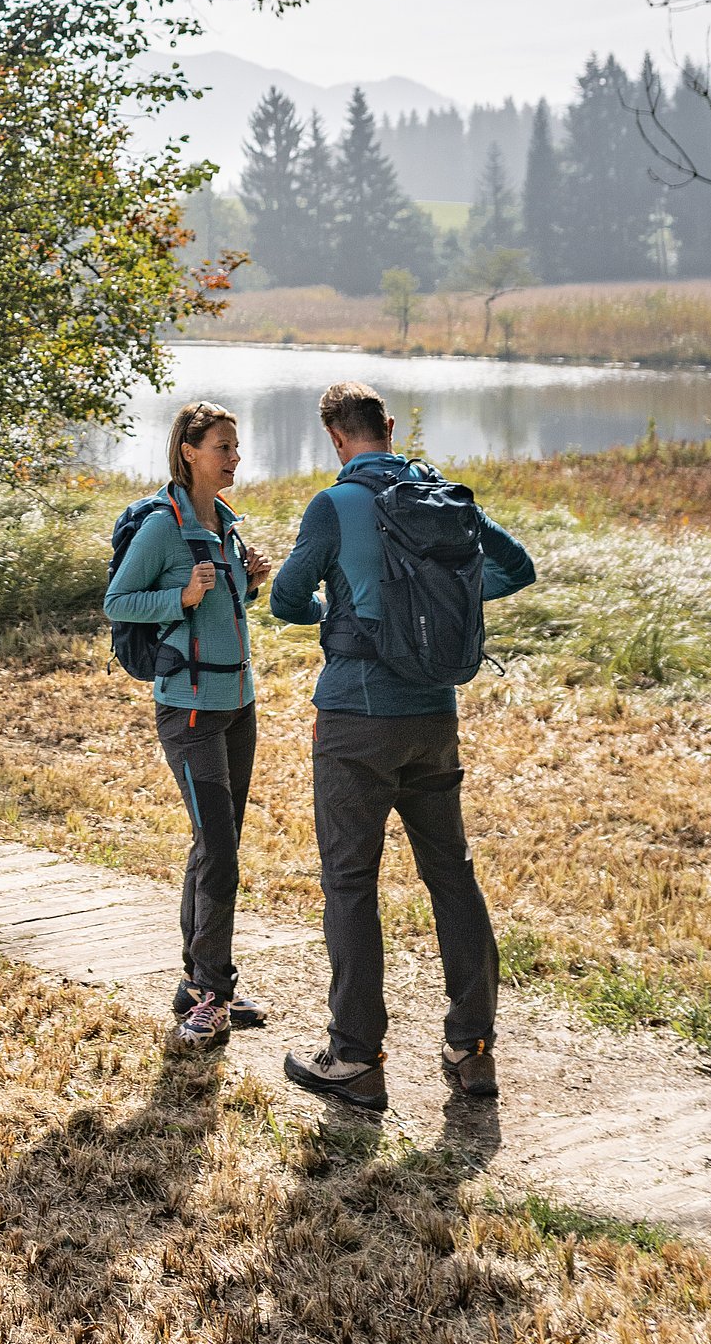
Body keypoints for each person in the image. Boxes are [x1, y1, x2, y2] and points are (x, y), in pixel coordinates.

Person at [266, 382, 535, 1110]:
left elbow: (284, 598)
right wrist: (437, 604)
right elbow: (517, 568)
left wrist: (339, 608)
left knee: (350, 882)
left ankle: (354, 1057)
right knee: (452, 873)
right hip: (433, 716)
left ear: (335, 436)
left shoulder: (333, 504)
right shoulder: (443, 497)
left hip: (356, 717)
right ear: (388, 426)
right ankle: (471, 1049)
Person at [104, 399, 274, 1051]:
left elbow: (222, 612)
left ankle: (197, 984)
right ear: (189, 452)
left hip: (238, 706)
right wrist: (181, 595)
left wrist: (250, 582)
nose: (234, 457)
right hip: (191, 712)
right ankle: (212, 993)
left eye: (235, 445)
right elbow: (117, 600)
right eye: (223, 447)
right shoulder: (163, 528)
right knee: (221, 853)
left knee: (215, 844)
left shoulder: (223, 525)